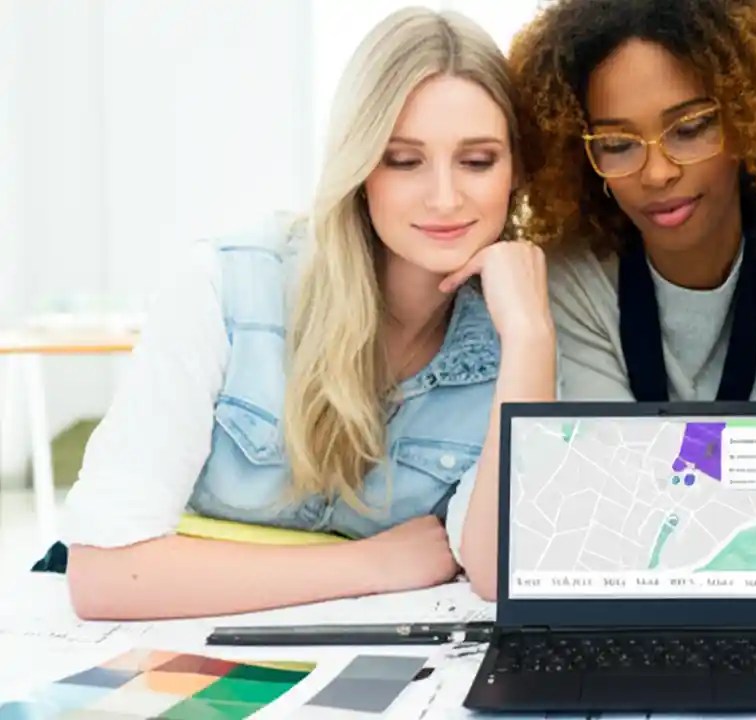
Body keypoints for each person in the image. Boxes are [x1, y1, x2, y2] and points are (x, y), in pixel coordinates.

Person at [59, 7, 554, 619]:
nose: (446, 196)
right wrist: (367, 565)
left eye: (477, 161)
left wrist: (531, 340)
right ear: (359, 165)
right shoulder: (225, 288)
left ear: (515, 174)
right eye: (404, 160)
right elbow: (105, 575)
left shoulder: (514, 336)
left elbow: (500, 572)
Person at [506, 0, 756, 535]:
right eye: (616, 144)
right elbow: (610, 508)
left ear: (752, 118)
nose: (657, 172)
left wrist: (666, 465)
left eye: (692, 128)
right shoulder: (569, 277)